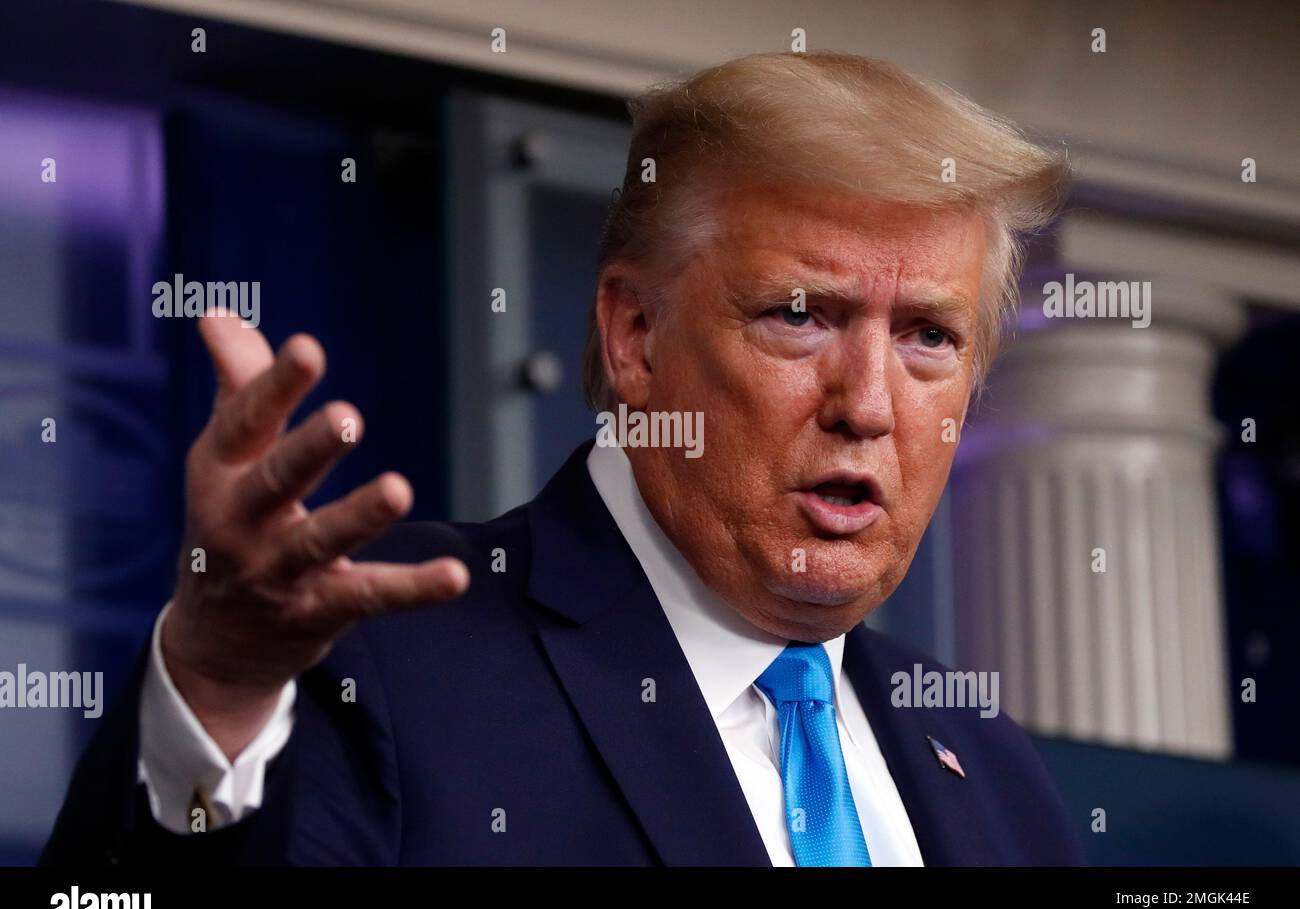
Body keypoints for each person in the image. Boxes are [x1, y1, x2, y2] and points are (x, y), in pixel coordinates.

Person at [43, 51, 1080, 866]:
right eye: (799, 316)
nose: (867, 404)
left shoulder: (980, 753)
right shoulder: (374, 657)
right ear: (634, 336)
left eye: (929, 338)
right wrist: (216, 695)